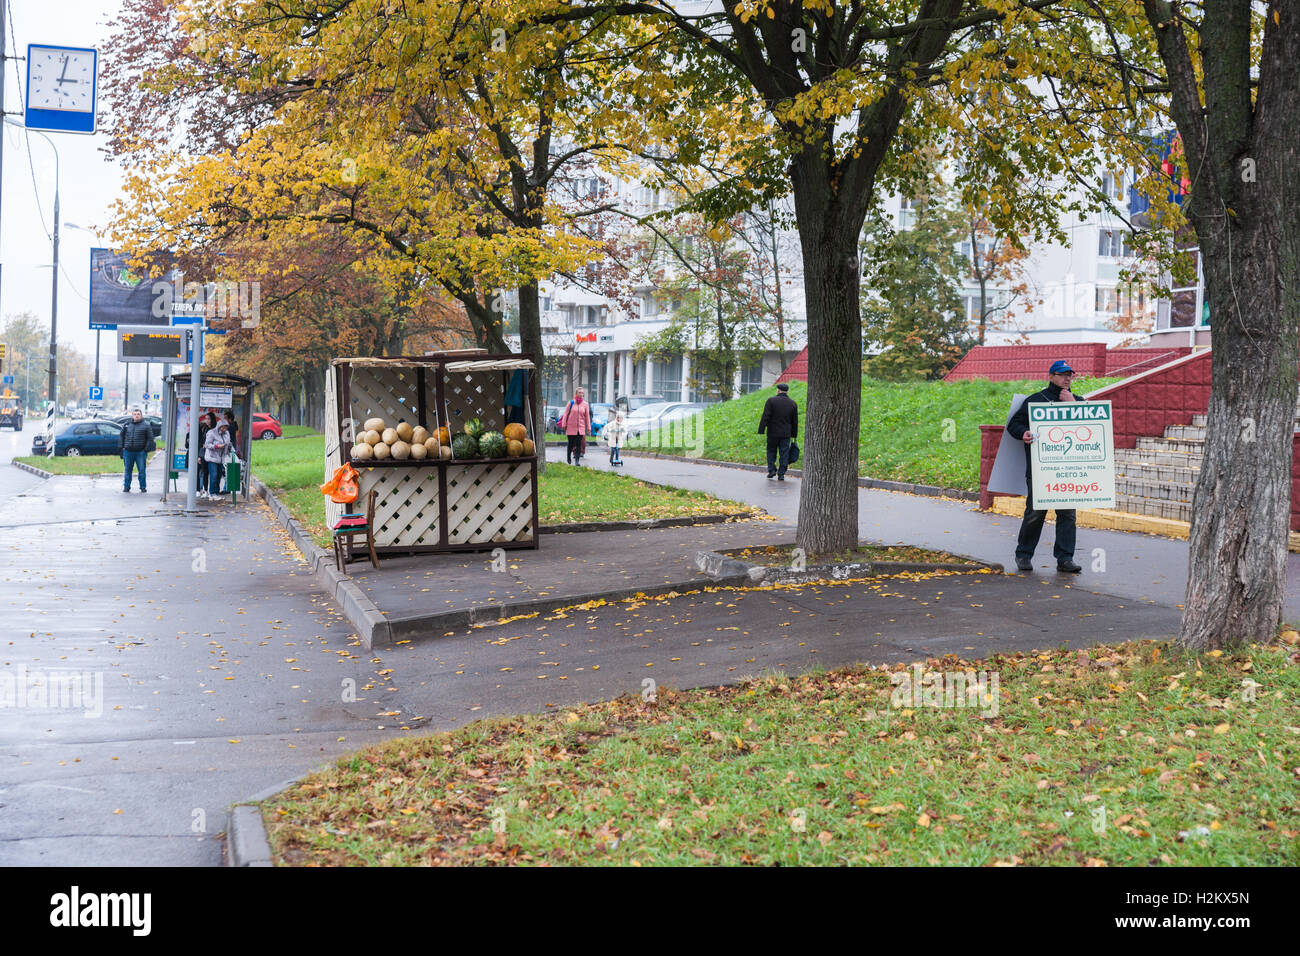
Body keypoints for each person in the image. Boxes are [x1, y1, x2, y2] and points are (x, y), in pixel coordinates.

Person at [1006, 360, 1085, 574]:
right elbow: (1014, 424)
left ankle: (1065, 559)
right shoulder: (1036, 400)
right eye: (1062, 374)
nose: (1067, 378)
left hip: (1067, 471)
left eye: (1070, 374)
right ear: (1051, 376)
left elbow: (1088, 428)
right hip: (1041, 470)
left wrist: (1073, 405)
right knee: (1035, 513)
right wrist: (1024, 433)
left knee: (1067, 514)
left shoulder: (1077, 401)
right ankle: (1023, 555)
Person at [758, 382, 799, 480]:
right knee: (784, 453)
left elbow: (766, 416)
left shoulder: (771, 401)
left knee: (771, 451)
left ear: (778, 390)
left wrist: (761, 430)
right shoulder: (793, 403)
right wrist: (794, 434)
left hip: (773, 432)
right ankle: (781, 473)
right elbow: (795, 421)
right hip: (786, 433)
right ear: (787, 391)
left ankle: (772, 470)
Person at [119, 407, 153, 494]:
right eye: (135, 414)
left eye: (138, 414)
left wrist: (145, 449)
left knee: (141, 470)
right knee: (127, 470)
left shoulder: (146, 425)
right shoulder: (127, 425)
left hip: (140, 452)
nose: (136, 416)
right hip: (128, 451)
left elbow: (150, 438)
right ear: (132, 415)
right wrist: (121, 448)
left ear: (141, 415)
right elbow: (121, 436)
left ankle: (143, 487)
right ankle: (126, 487)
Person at [559, 387, 593, 465]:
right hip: (571, 427)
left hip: (580, 428)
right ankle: (568, 456)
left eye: (582, 393)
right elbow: (565, 414)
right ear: (576, 394)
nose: (581, 394)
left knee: (578, 445)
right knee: (570, 444)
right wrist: (564, 424)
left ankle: (577, 461)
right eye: (580, 392)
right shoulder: (571, 403)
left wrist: (588, 428)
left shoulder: (585, 404)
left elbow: (587, 417)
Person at [202, 420, 233, 500]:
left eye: (226, 427)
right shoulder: (211, 433)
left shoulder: (227, 433)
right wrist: (217, 446)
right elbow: (207, 444)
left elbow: (228, 443)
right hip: (212, 457)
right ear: (219, 426)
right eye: (223, 427)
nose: (225, 429)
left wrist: (230, 448)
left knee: (219, 475)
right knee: (214, 475)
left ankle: (216, 492)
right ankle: (212, 493)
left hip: (221, 458)